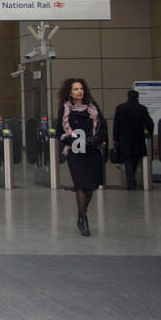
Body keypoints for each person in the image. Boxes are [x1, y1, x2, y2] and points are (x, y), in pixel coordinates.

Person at [58, 78, 106, 237]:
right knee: (80, 184)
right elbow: (60, 131)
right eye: (76, 89)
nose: (79, 91)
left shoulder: (93, 108)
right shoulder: (65, 109)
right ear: (70, 92)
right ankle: (84, 220)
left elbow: (102, 127)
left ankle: (81, 214)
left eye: (81, 88)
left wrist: (95, 139)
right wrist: (71, 139)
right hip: (75, 150)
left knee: (90, 186)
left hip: (91, 151)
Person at [111, 89, 155, 190]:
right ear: (137, 97)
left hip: (124, 139)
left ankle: (130, 181)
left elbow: (116, 125)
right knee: (135, 160)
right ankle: (131, 180)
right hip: (138, 139)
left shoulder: (120, 108)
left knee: (127, 161)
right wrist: (150, 132)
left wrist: (115, 139)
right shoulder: (142, 109)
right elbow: (149, 123)